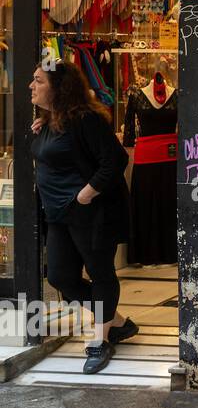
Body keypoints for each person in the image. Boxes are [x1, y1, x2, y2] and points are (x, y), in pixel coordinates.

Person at [29, 60, 135, 374]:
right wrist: (40, 127)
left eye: (38, 80)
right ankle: (116, 322)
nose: (31, 86)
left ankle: (99, 342)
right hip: (59, 215)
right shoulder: (48, 121)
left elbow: (115, 160)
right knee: (60, 277)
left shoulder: (87, 120)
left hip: (91, 212)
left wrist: (86, 194)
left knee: (100, 272)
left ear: (58, 87)